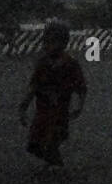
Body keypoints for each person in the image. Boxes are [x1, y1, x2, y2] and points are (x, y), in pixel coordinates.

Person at [19, 21, 87, 167]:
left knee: (52, 141)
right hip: (43, 111)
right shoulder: (42, 63)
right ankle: (54, 163)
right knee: (34, 145)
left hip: (59, 111)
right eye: (46, 41)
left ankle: (55, 166)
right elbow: (34, 85)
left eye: (52, 42)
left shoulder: (70, 63)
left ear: (63, 43)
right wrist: (24, 106)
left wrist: (79, 106)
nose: (47, 45)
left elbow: (81, 86)